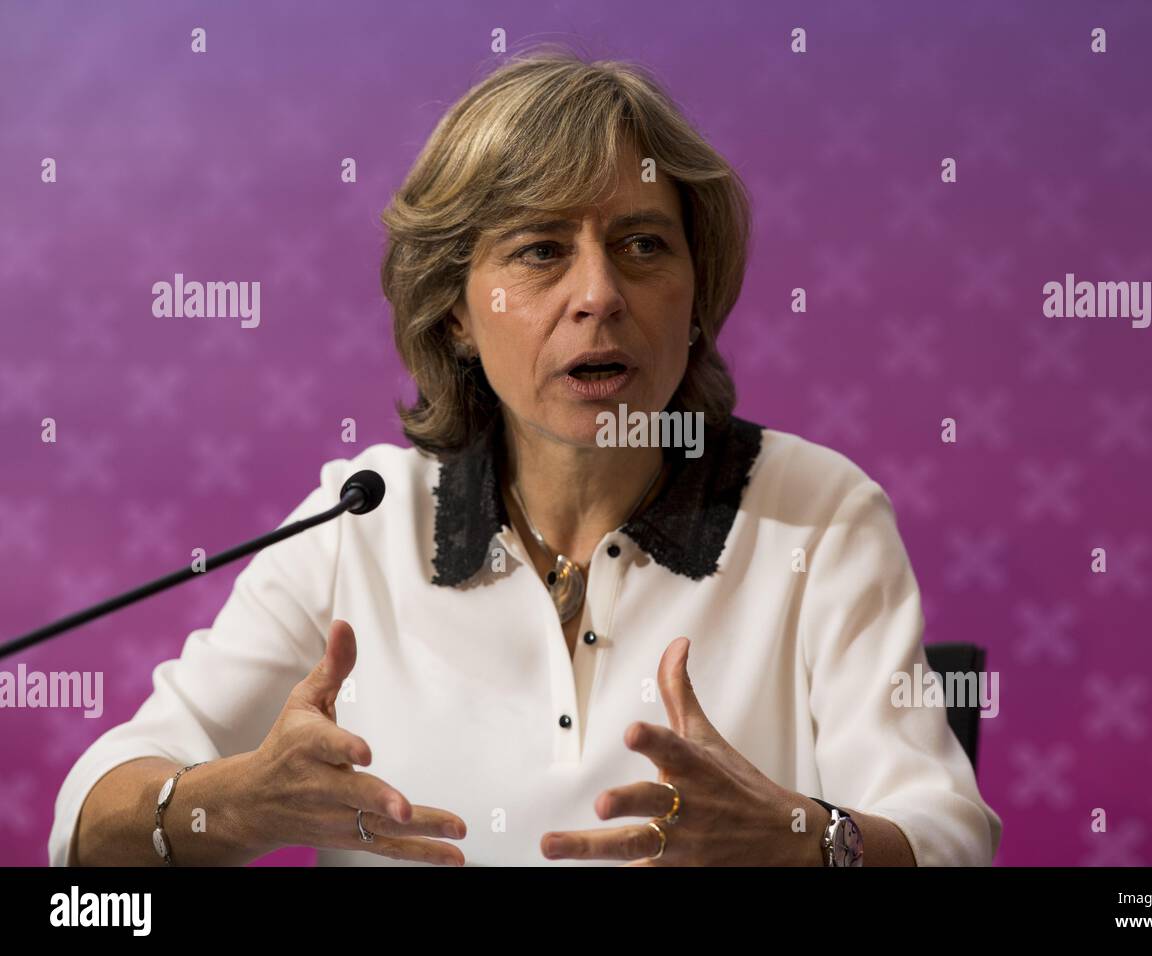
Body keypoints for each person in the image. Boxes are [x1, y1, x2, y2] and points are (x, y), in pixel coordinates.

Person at [50, 46, 1002, 867]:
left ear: (696, 294)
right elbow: (89, 818)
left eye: (642, 244)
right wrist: (232, 802)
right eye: (542, 251)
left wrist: (798, 839)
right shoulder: (361, 524)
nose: (600, 293)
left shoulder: (817, 513)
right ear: (457, 311)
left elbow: (948, 835)